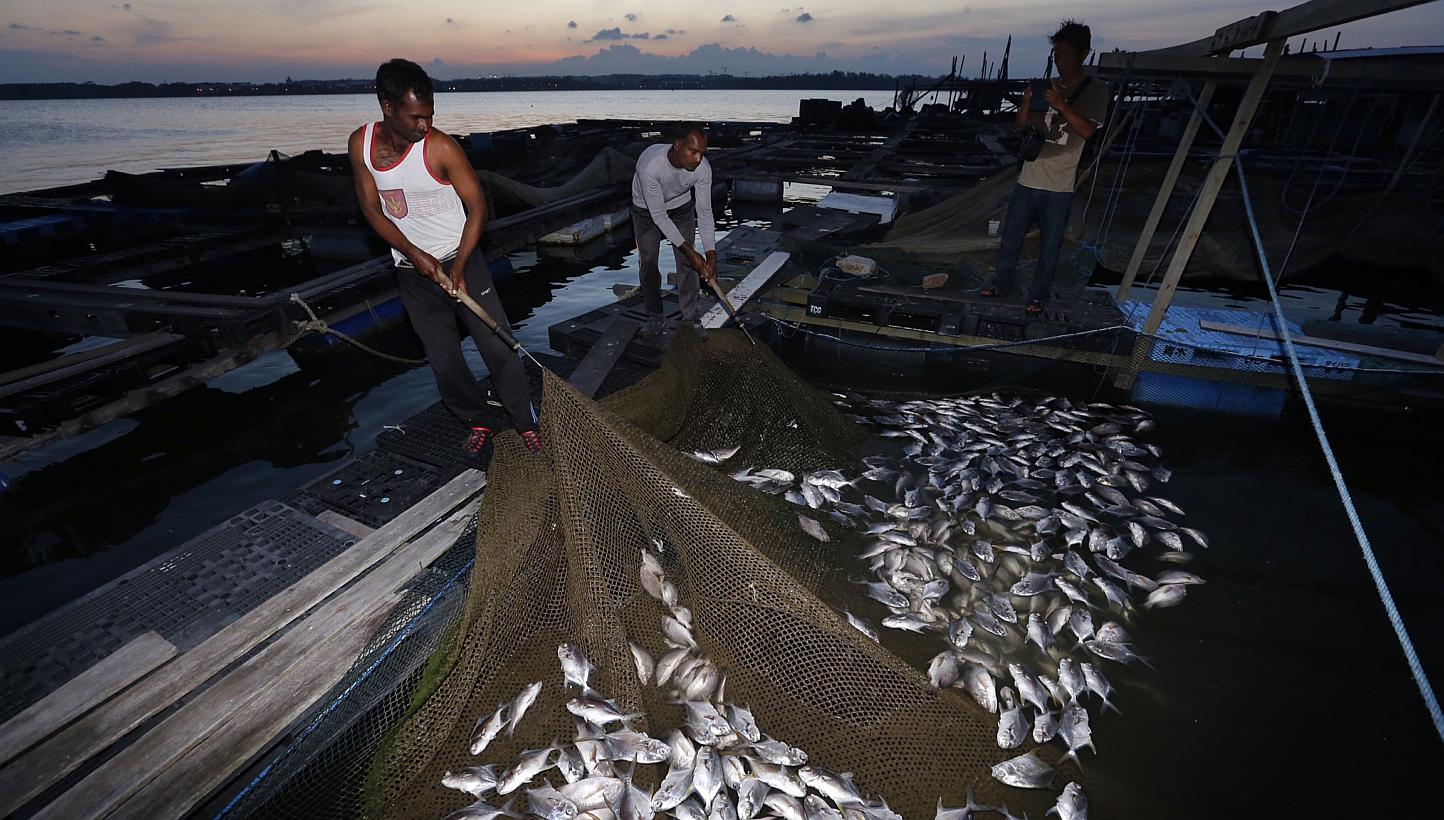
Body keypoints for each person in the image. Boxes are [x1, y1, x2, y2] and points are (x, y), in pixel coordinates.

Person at [349, 59, 540, 456]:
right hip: (413, 273)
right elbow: (370, 208)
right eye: (416, 117)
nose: (425, 125)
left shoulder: (441, 147)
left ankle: (524, 422)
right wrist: (412, 253)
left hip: (462, 260)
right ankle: (476, 419)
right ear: (387, 107)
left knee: (498, 347)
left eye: (430, 115)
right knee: (444, 360)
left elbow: (478, 208)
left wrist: (458, 265)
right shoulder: (361, 145)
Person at [982, 20, 1109, 315]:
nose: (1060, 62)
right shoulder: (1047, 87)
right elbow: (1020, 127)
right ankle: (1002, 283)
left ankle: (1038, 296)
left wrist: (1062, 105)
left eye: (1065, 56)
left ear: (1084, 54)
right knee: (1010, 237)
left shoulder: (1096, 90)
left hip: (1059, 184)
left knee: (1049, 246)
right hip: (1029, 177)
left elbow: (1089, 131)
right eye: (1056, 56)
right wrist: (1026, 102)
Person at [630, 125, 718, 337]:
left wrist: (711, 255)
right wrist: (691, 251)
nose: (698, 159)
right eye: (693, 151)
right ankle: (655, 318)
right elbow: (658, 216)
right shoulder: (650, 165)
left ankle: (690, 317)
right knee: (649, 263)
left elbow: (705, 212)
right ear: (678, 145)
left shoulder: (703, 169)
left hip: (681, 207)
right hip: (646, 211)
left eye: (702, 153)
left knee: (687, 263)